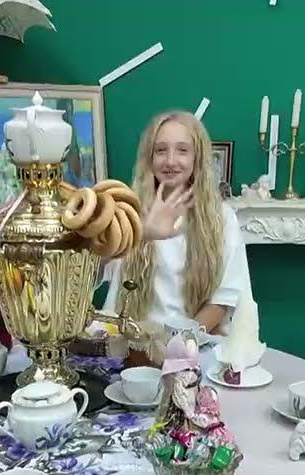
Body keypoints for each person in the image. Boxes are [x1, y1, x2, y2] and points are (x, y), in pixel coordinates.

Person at [101, 111, 252, 333]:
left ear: (197, 158)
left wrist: (179, 343)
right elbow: (91, 268)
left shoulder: (222, 217)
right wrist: (141, 233)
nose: (170, 161)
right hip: (129, 339)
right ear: (149, 158)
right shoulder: (127, 210)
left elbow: (223, 299)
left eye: (182, 150)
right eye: (161, 150)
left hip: (191, 343)